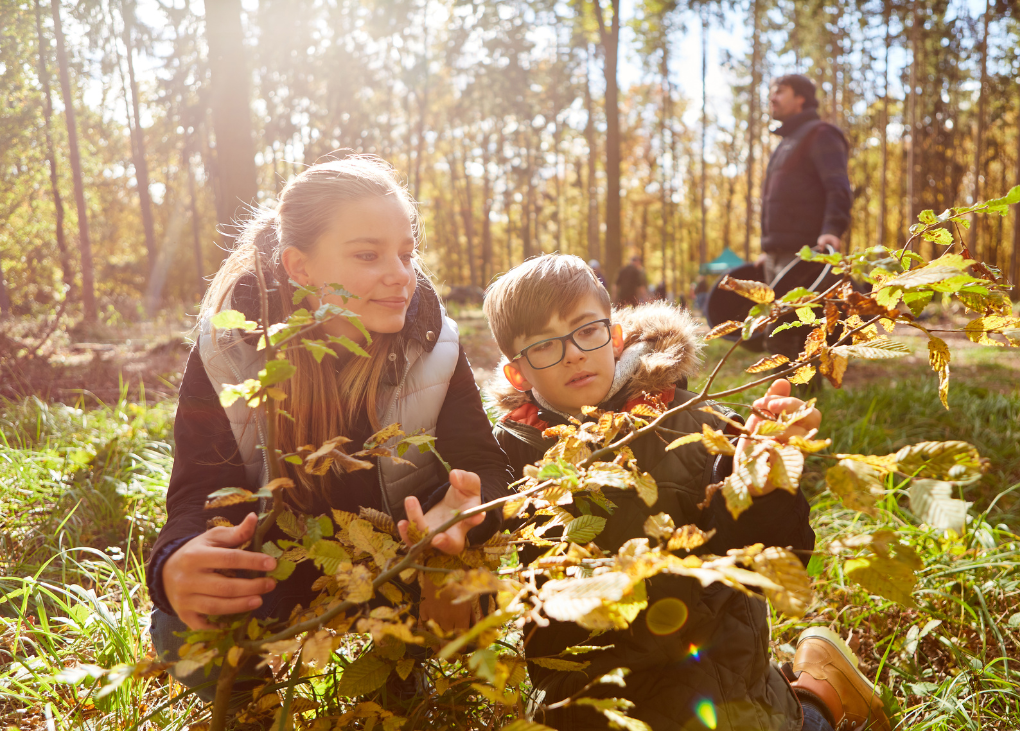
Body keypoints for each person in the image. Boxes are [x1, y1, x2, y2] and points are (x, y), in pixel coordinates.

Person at [146, 155, 512, 701]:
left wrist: (468, 513)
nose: (400, 273)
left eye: (406, 254)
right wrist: (173, 564)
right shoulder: (231, 351)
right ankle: (251, 706)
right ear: (301, 268)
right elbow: (198, 492)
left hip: (399, 565)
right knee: (183, 630)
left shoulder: (436, 346)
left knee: (468, 589)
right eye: (368, 254)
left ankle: (397, 681)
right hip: (278, 570)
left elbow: (483, 465)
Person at [482, 254, 890, 731]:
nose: (573, 352)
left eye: (585, 331)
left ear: (613, 338)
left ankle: (820, 693)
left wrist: (760, 482)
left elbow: (776, 558)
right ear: (518, 373)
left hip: (720, 693)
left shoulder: (693, 428)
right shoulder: (507, 457)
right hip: (589, 704)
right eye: (545, 346)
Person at [760, 74, 852, 365]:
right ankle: (781, 397)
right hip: (778, 254)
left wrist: (832, 230)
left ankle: (803, 400)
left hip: (807, 253)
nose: (773, 97)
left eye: (781, 91)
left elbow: (838, 187)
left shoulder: (821, 133)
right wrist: (768, 249)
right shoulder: (786, 142)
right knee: (780, 331)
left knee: (800, 331)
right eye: (772, 91)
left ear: (801, 98)